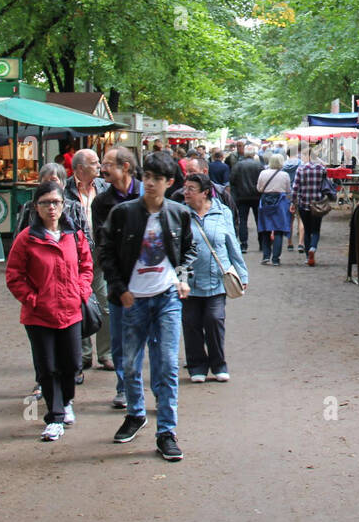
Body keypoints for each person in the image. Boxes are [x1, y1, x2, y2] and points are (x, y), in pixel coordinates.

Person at [101, 151, 196, 462]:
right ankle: (136, 412)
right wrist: (119, 288)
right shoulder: (123, 213)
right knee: (129, 363)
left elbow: (189, 249)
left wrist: (182, 277)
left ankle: (166, 431)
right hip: (133, 301)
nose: (150, 184)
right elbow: (106, 252)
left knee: (167, 365)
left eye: (157, 179)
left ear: (169, 183)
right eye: (147, 177)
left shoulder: (178, 214)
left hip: (167, 298)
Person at [7, 179, 93, 442]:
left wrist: (81, 291)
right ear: (36, 207)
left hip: (70, 310)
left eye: (56, 202)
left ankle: (66, 401)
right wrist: (32, 299)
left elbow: (86, 266)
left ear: (63, 205)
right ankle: (54, 417)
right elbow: (14, 275)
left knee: (72, 364)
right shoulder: (26, 239)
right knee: (47, 366)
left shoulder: (73, 234)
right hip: (39, 314)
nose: (51, 208)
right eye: (45, 203)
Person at [181, 173, 247, 382]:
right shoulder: (181, 213)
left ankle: (219, 363)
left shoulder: (222, 212)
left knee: (214, 319)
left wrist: (242, 272)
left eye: (191, 189)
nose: (186, 192)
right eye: (185, 188)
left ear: (205, 193)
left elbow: (232, 244)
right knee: (191, 322)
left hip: (217, 277)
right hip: (189, 280)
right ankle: (196, 365)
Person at [94, 146, 143, 410]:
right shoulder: (101, 203)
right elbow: (104, 245)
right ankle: (124, 388)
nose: (103, 169)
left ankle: (155, 389)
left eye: (107, 164)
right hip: (119, 283)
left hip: (150, 283)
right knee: (121, 341)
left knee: (154, 341)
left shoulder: (149, 193)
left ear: (125, 167)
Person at [66, 149, 112, 371]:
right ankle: (83, 353)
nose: (100, 167)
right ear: (80, 168)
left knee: (105, 302)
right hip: (72, 254)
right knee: (76, 302)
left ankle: (106, 353)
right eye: (94, 163)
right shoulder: (64, 189)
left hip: (99, 252)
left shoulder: (104, 187)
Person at [294, 151, 334, 266]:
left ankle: (308, 256)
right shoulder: (321, 169)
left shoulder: (300, 169)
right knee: (316, 230)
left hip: (304, 204)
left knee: (307, 230)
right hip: (318, 204)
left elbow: (295, 187)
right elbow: (327, 184)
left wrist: (293, 201)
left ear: (307, 157)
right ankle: (313, 248)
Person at [256, 153, 293, 266]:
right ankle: (276, 258)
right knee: (278, 230)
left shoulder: (263, 173)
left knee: (266, 229)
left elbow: (259, 188)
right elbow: (288, 190)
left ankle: (266, 256)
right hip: (280, 203)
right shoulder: (285, 175)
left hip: (266, 202)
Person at [230, 144, 264, 254]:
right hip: (256, 196)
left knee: (242, 221)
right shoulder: (259, 165)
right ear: (254, 154)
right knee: (259, 220)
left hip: (242, 197)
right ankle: (262, 243)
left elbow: (232, 180)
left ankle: (243, 244)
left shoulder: (238, 165)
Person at [282, 150, 304, 251]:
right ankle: (300, 243)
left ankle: (289, 243)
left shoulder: (283, 165)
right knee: (301, 219)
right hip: (300, 192)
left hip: (287, 194)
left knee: (289, 219)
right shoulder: (300, 163)